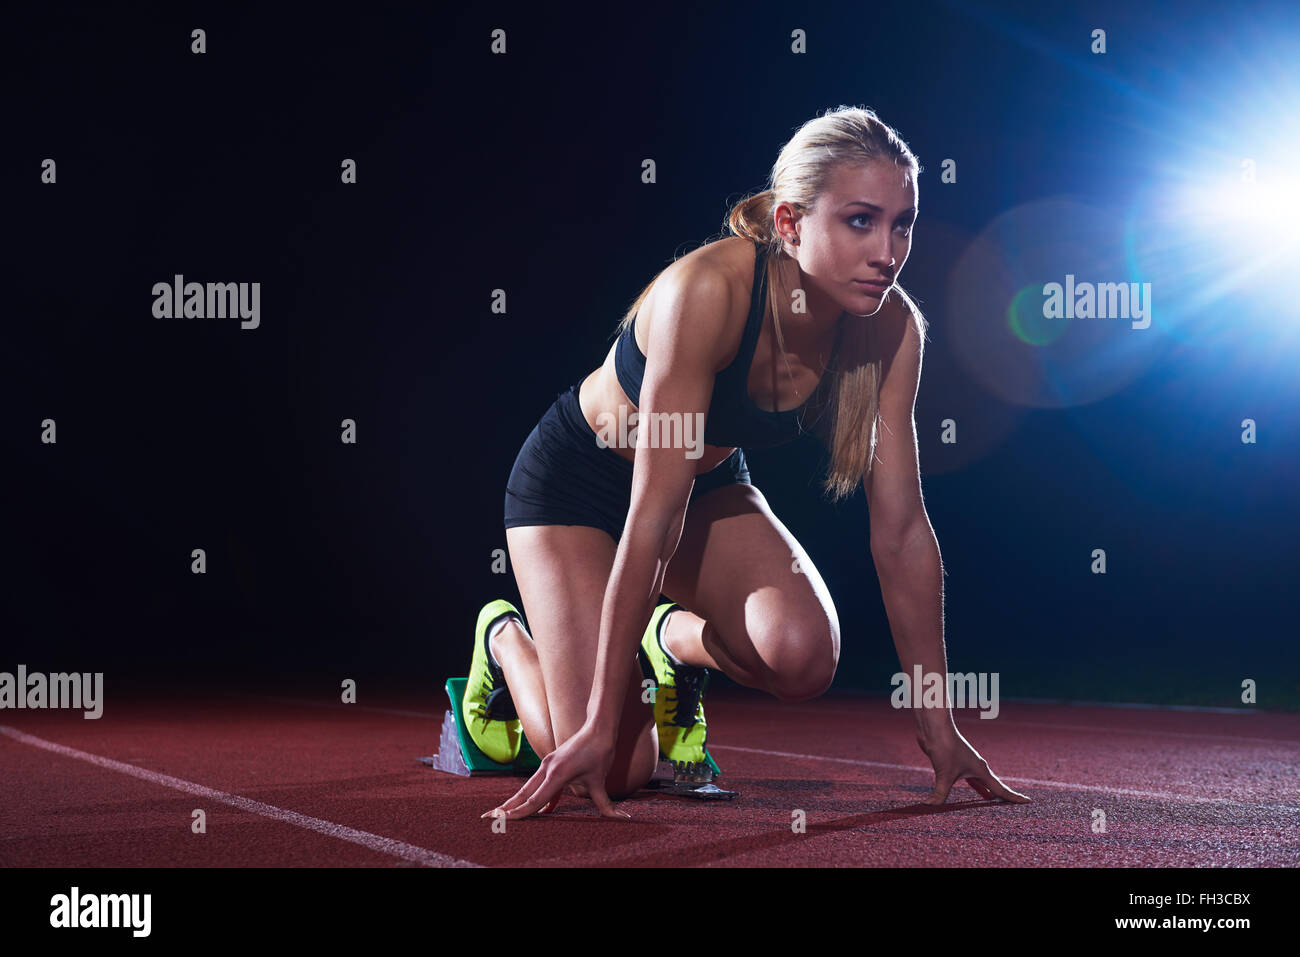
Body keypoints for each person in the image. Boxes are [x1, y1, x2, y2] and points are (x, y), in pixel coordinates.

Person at [468, 105, 1031, 820]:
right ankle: (504, 636)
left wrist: (938, 722)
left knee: (803, 655)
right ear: (791, 224)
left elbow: (902, 533)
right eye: (861, 220)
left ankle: (666, 641)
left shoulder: (891, 331)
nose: (888, 251)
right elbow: (653, 515)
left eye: (903, 222)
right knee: (613, 763)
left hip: (699, 487)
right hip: (578, 487)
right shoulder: (707, 293)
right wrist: (600, 722)